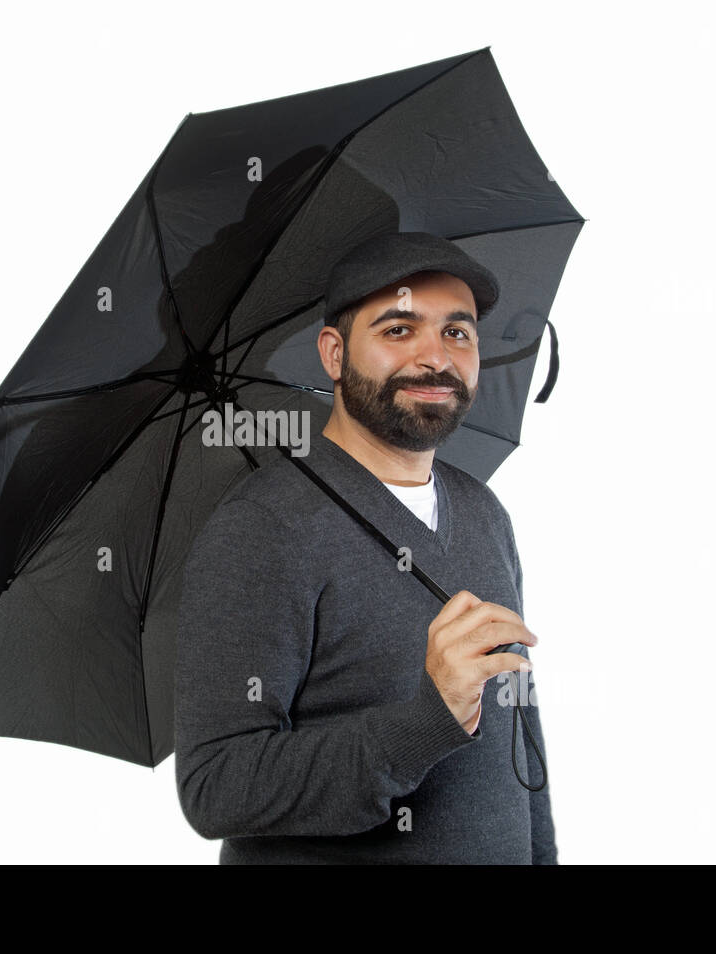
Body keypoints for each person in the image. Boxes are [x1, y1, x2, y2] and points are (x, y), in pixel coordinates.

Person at [172, 231, 558, 864]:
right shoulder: (262, 528)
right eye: (399, 330)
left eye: (457, 332)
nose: (436, 358)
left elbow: (520, 740)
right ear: (334, 352)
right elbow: (217, 787)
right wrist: (428, 720)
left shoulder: (485, 513)